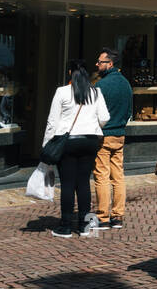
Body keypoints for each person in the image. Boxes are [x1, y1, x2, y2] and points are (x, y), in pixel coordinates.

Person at [43, 60, 110, 238]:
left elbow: (52, 121)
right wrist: (93, 125)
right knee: (83, 183)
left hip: (68, 141)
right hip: (89, 140)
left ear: (70, 73)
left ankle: (65, 226)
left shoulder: (62, 92)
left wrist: (47, 145)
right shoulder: (95, 92)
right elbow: (105, 117)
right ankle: (84, 225)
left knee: (67, 184)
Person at [92, 48, 132, 229]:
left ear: (110, 64)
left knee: (102, 176)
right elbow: (130, 111)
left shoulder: (101, 86)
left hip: (104, 135)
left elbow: (95, 113)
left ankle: (103, 216)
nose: (97, 65)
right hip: (120, 135)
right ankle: (118, 215)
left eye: (100, 62)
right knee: (118, 176)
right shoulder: (126, 84)